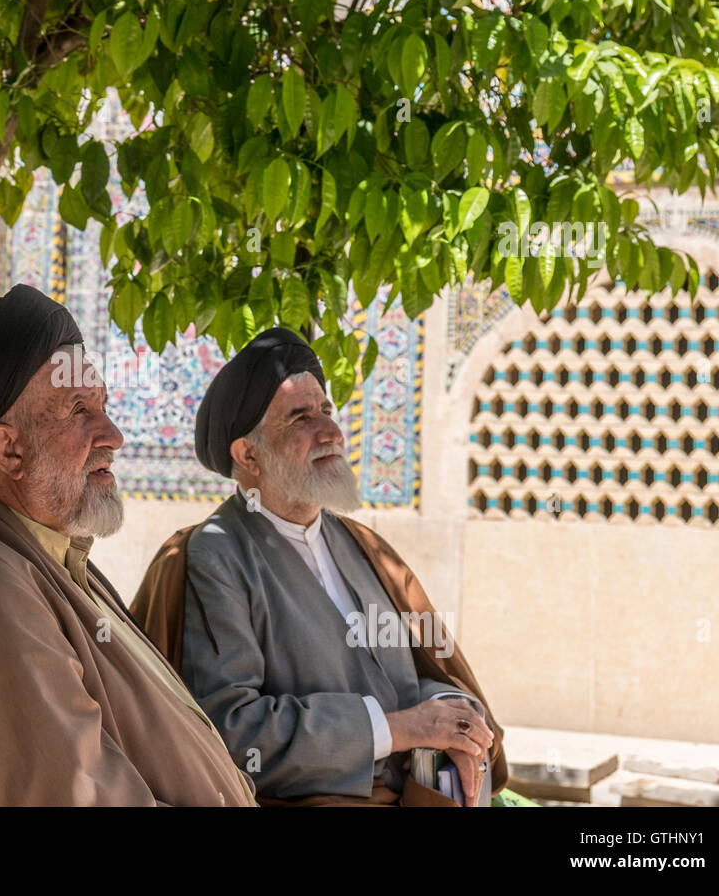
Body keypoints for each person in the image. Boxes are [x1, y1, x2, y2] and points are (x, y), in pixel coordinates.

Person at [0, 285, 255, 805]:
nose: (112, 433)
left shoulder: (54, 558)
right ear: (10, 449)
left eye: (103, 406)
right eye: (79, 410)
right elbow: (80, 792)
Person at [132, 327, 507, 806]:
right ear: (248, 455)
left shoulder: (361, 544)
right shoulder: (218, 554)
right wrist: (398, 729)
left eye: (327, 410)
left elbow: (424, 671)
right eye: (301, 418)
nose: (330, 431)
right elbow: (233, 729)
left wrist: (454, 716)